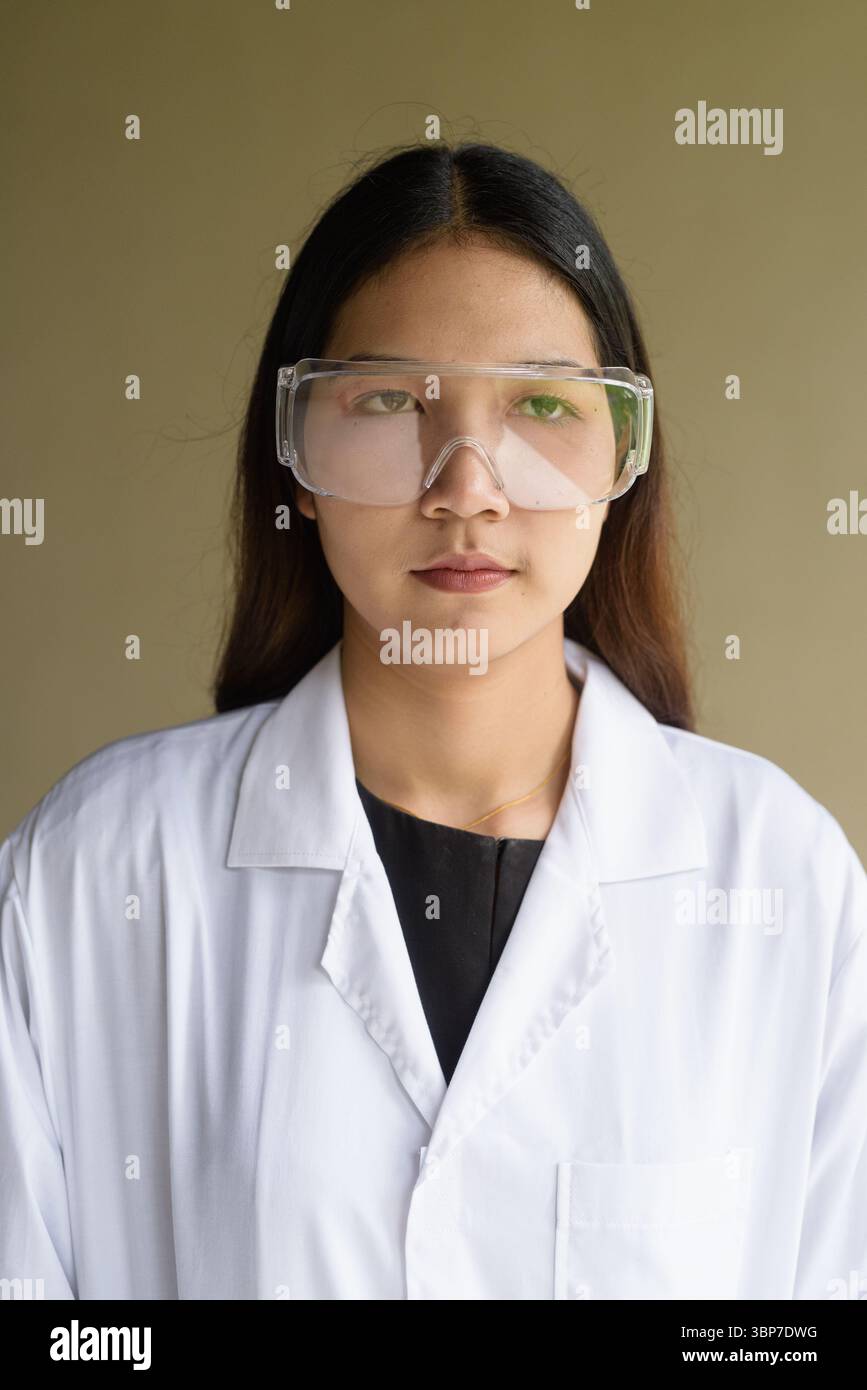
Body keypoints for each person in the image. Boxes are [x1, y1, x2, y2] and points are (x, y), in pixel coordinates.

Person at [1, 142, 865, 1302]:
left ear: (623, 457)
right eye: (390, 401)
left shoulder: (785, 881)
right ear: (298, 452)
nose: (468, 483)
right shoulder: (93, 869)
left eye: (543, 404)